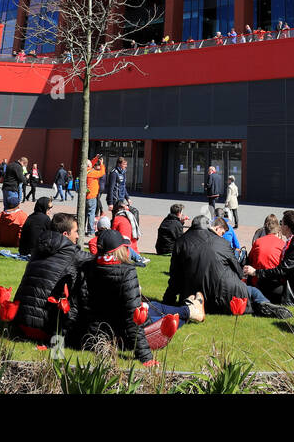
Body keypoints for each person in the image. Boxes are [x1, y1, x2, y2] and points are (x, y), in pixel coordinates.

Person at [75, 229, 202, 365]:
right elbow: (133, 317)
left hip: (100, 330)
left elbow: (83, 306)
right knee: (169, 321)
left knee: (152, 305)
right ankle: (190, 311)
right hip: (125, 334)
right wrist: (146, 357)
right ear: (120, 249)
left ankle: (191, 308)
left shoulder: (87, 267)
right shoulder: (126, 271)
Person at [163, 215, 289, 317]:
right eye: (222, 232)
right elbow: (239, 272)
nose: (222, 235)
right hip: (225, 295)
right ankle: (263, 303)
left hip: (194, 297)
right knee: (252, 291)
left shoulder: (180, 242)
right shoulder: (222, 242)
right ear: (212, 227)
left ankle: (260, 303)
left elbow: (174, 275)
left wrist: (168, 300)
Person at [12, 211, 87, 343]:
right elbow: (99, 262)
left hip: (20, 323)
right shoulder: (71, 252)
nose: (78, 236)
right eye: (76, 231)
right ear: (65, 234)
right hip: (46, 330)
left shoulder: (38, 247)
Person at [111, 197, 146, 266]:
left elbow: (113, 235)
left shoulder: (118, 219)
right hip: (133, 249)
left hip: (124, 250)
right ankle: (139, 259)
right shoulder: (131, 217)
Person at [84, 156, 105, 234]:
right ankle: (91, 231)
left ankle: (82, 229)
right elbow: (101, 173)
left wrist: (96, 158)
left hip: (86, 196)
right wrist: (102, 164)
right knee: (91, 213)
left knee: (85, 214)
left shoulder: (86, 171)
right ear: (89, 166)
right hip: (92, 196)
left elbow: (90, 164)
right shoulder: (92, 173)